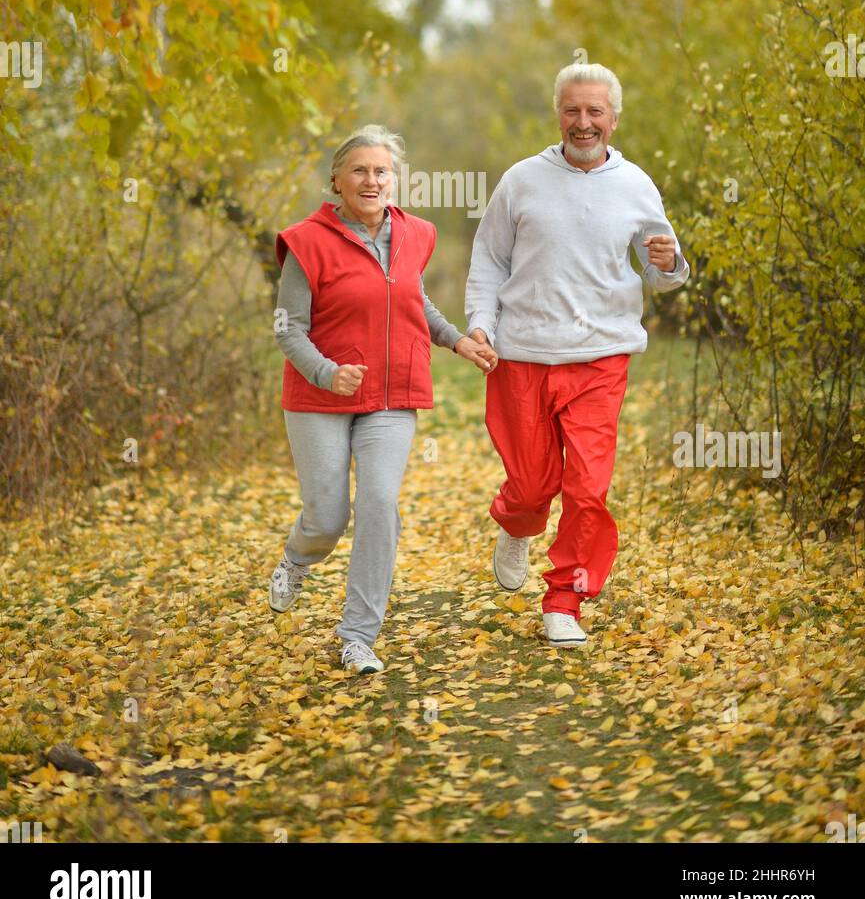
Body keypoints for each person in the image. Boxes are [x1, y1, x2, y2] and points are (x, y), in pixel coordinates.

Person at [465, 62, 689, 649]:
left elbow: (660, 270)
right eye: (573, 110)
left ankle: (565, 599)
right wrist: (481, 326)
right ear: (558, 114)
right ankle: (517, 523)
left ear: (613, 118)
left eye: (595, 112)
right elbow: (489, 259)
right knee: (533, 483)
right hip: (523, 355)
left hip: (601, 356)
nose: (583, 122)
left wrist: (669, 264)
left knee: (587, 489)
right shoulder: (520, 181)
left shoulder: (636, 185)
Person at [270, 124, 496, 675]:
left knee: (379, 506)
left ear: (394, 179)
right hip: (319, 398)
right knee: (327, 518)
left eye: (381, 171)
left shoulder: (416, 234)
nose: (371, 180)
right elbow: (287, 327)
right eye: (360, 171)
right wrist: (327, 373)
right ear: (338, 180)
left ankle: (357, 637)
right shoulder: (306, 241)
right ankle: (297, 559)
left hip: (392, 397)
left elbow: (417, 302)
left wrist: (459, 340)